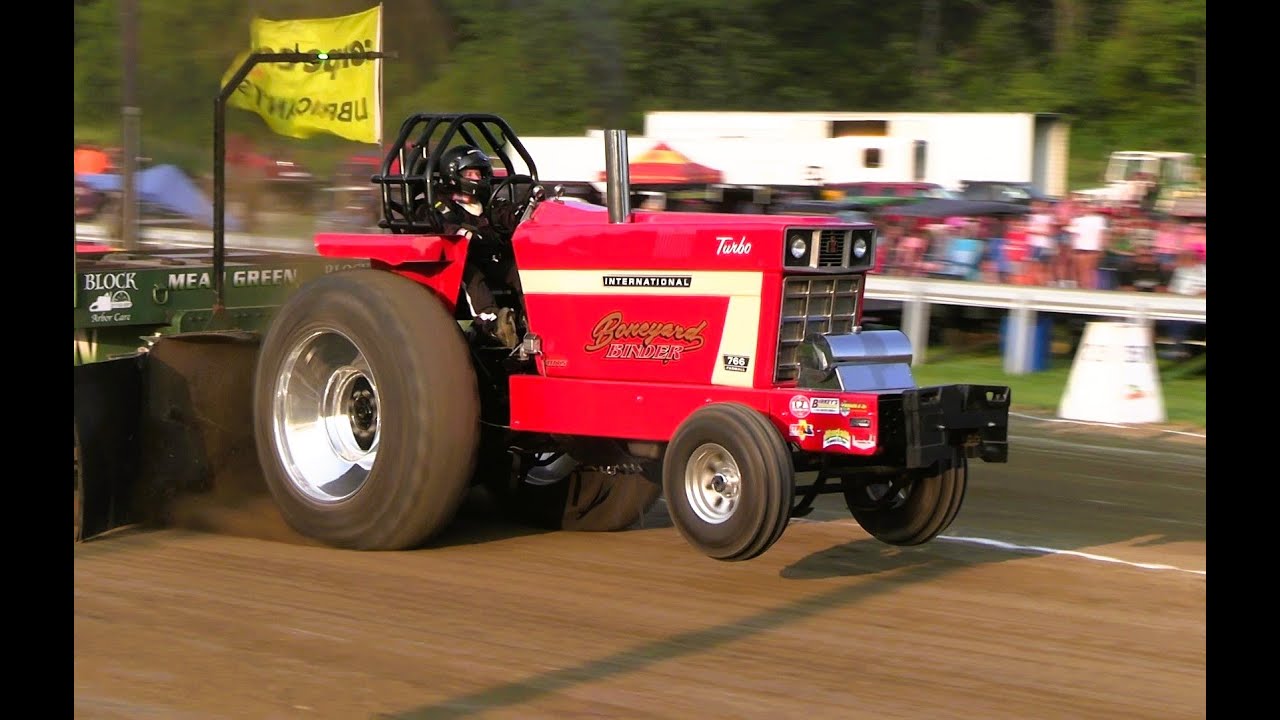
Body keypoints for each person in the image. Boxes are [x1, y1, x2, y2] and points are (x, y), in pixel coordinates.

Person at [428, 144, 533, 349]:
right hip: (462, 263)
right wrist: (468, 234)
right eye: (470, 173)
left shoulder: (486, 203)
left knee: (518, 270)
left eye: (479, 173)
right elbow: (447, 228)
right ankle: (492, 322)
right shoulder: (441, 205)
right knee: (473, 275)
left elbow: (506, 216)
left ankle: (533, 318)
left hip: (492, 258)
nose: (477, 178)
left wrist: (524, 211)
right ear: (454, 175)